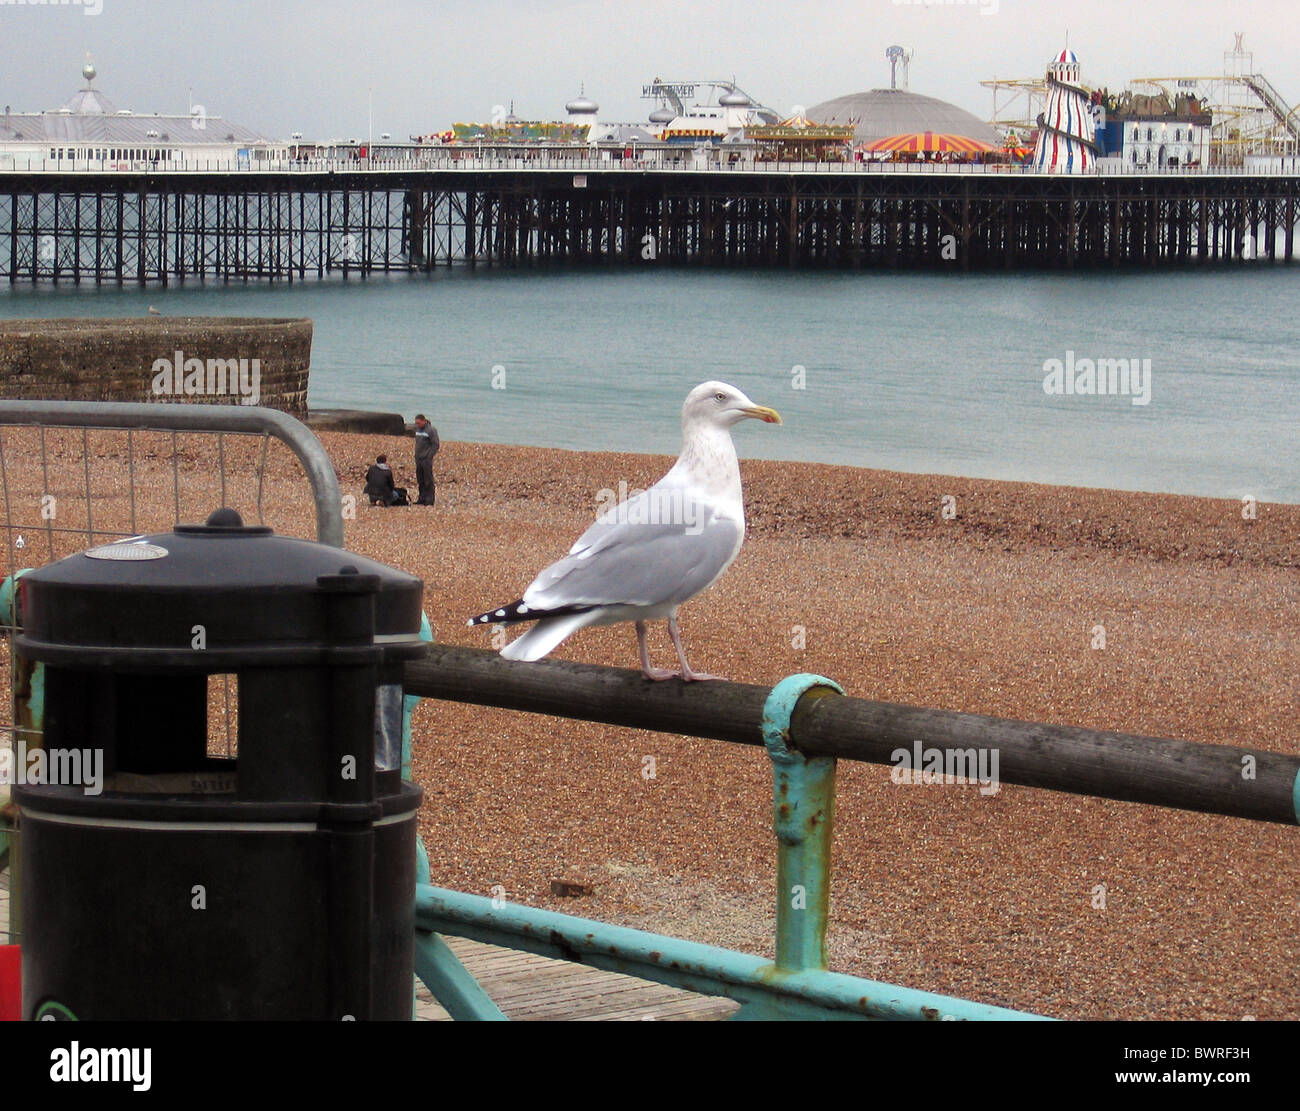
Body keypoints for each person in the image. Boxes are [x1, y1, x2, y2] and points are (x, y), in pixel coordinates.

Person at [413, 414, 439, 506]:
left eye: (419, 423)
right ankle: (422, 498)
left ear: (424, 421)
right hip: (418, 458)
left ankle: (429, 499)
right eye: (416, 423)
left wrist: (429, 456)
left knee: (428, 479)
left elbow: (435, 444)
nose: (417, 425)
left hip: (426, 459)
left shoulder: (431, 430)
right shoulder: (418, 430)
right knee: (420, 479)